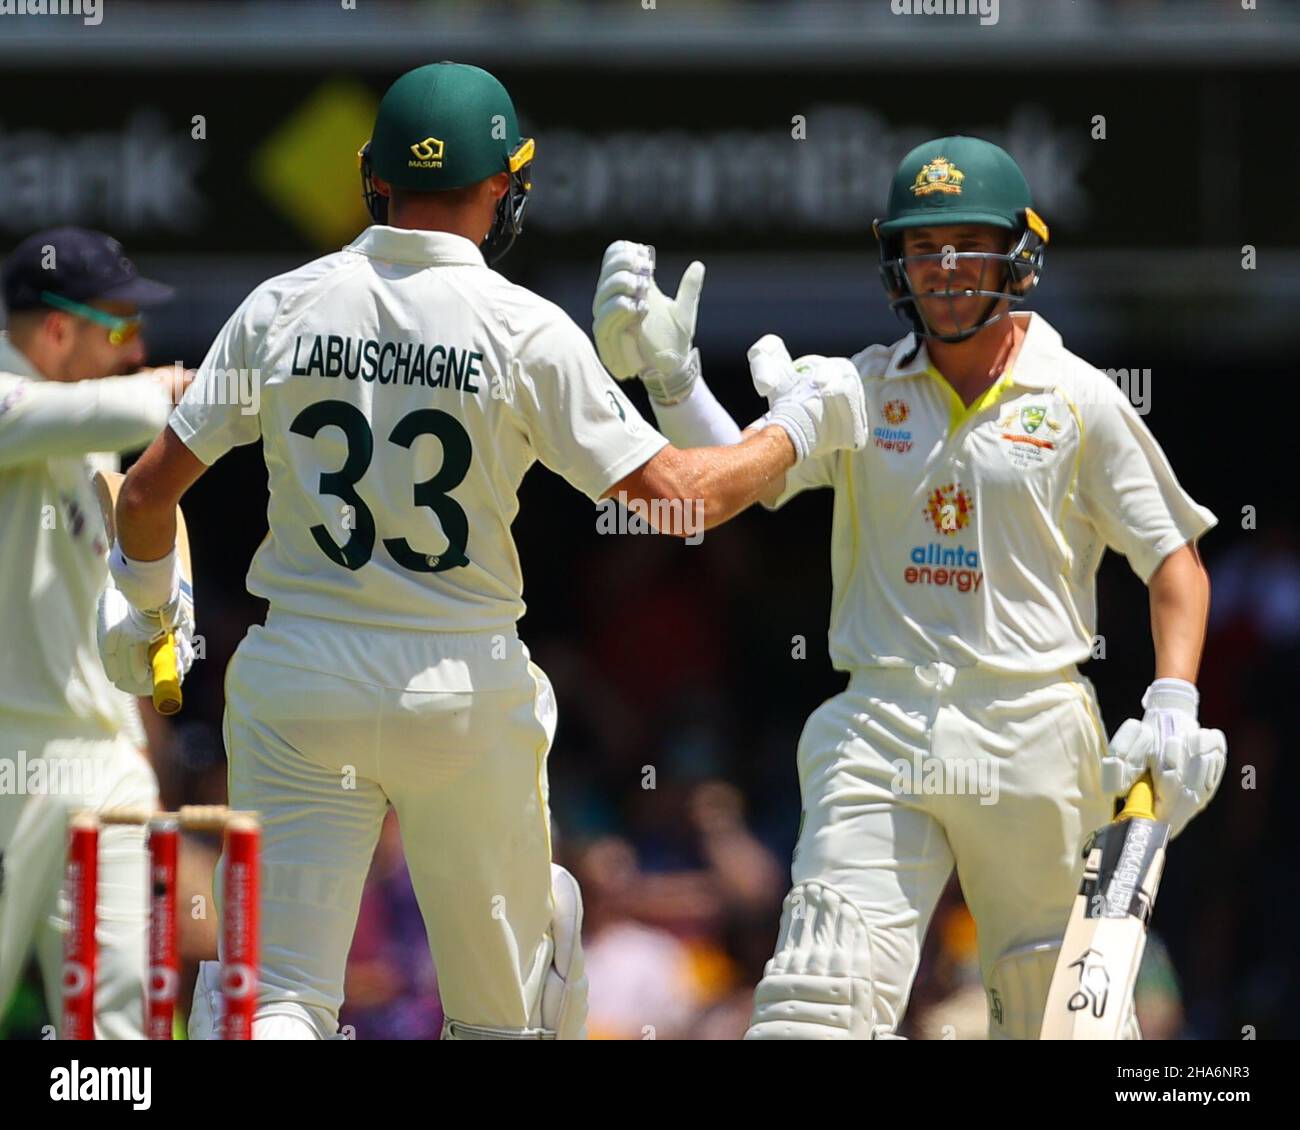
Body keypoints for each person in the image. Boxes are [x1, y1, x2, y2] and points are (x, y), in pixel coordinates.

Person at [98, 61, 868, 1040]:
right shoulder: (522, 327)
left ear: (375, 176)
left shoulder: (282, 302)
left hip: (300, 679)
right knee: (504, 1014)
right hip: (459, 684)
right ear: (503, 186)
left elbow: (147, 489)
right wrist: (794, 426)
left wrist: (149, 613)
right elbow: (678, 501)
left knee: (275, 995)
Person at [592, 135, 1227, 1039]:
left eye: (967, 244)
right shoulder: (860, 387)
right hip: (882, 724)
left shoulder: (1080, 399)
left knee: (1062, 1020)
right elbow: (729, 486)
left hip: (1033, 728)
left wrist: (1173, 702)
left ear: (1020, 254)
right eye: (923, 249)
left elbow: (1174, 560)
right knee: (815, 1006)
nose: (944, 268)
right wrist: (670, 376)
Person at [0, 227, 189, 1038]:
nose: (136, 347)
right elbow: (72, 411)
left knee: (126, 1014)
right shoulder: (25, 405)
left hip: (105, 759)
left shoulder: (90, 436)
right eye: (117, 327)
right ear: (53, 329)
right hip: (10, 760)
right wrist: (179, 392)